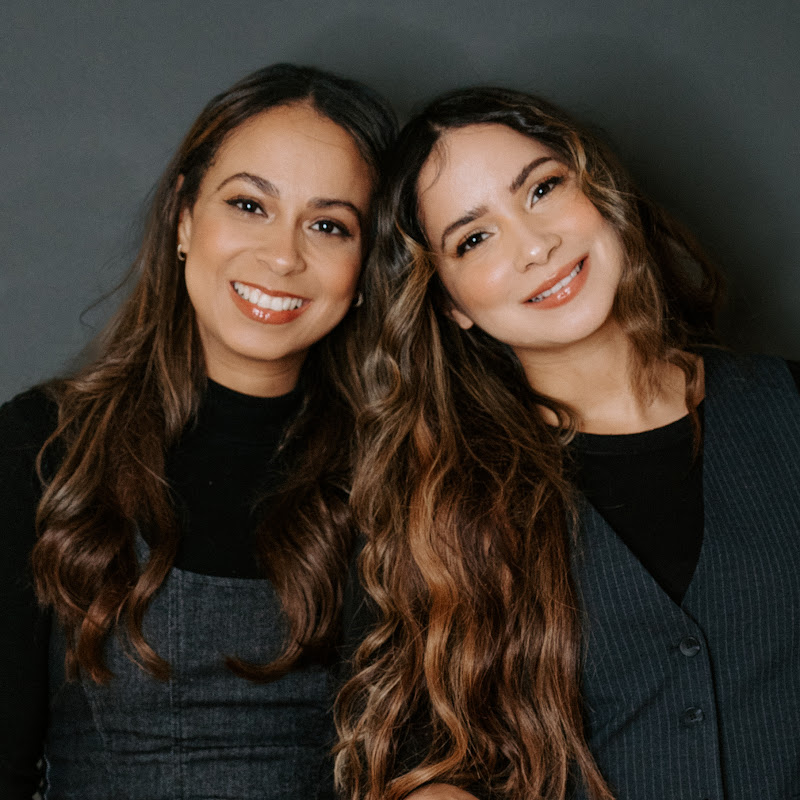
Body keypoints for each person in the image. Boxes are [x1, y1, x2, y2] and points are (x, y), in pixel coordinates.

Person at [334, 87, 800, 800]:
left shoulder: (788, 405)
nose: (535, 245)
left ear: (598, 191)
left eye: (543, 189)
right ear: (452, 303)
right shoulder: (434, 506)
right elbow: (409, 768)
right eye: (474, 238)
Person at [0, 63, 396, 800]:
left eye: (328, 225)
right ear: (184, 218)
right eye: (249, 205)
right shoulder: (43, 446)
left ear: (365, 263)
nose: (283, 256)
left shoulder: (404, 470)